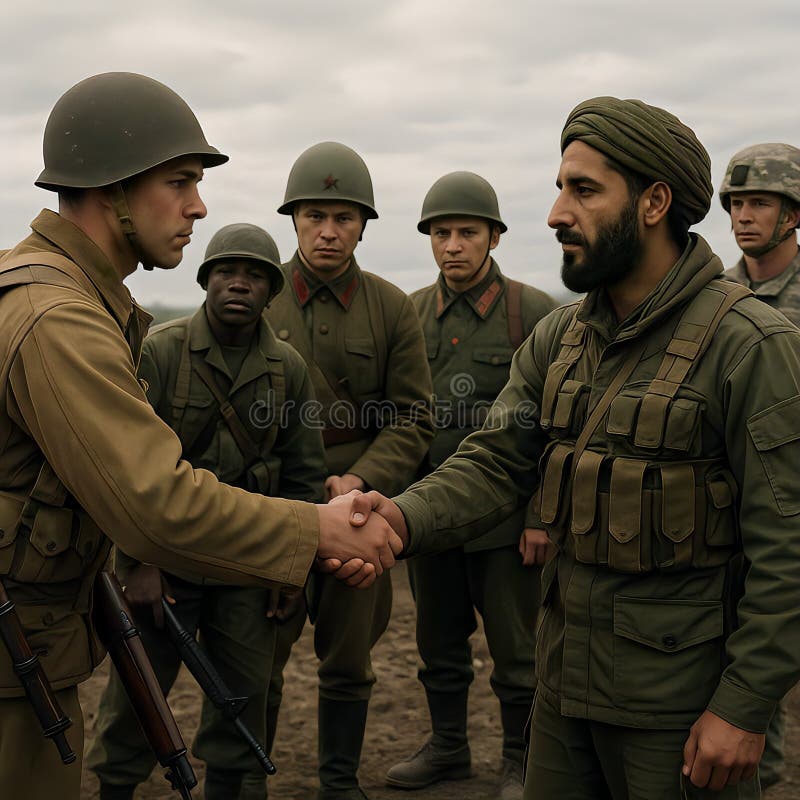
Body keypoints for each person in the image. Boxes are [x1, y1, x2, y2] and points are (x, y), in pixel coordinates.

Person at [338, 97, 800, 799]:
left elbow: (787, 547)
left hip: (678, 710)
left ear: (653, 202)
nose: (556, 213)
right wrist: (399, 518)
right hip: (561, 696)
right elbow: (494, 461)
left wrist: (743, 706)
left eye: (582, 190)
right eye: (560, 188)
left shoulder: (750, 346)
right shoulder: (562, 338)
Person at [0, 73, 400, 800]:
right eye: (180, 181)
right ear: (111, 188)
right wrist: (315, 533)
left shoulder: (66, 296)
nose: (198, 205)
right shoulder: (58, 316)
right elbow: (153, 499)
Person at [86, 222, 326, 799]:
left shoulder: (287, 368)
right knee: (136, 698)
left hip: (248, 561)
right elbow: (126, 466)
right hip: (162, 560)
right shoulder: (161, 352)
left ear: (272, 290)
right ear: (205, 281)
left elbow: (303, 474)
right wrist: (136, 562)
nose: (238, 284)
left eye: (253, 276)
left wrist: (290, 567)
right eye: (226, 272)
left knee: (242, 698)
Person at [262, 141, 434, 800]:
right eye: (314, 216)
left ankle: (340, 784)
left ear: (363, 224)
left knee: (350, 662)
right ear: (294, 220)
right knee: (260, 658)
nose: (328, 231)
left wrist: (359, 479)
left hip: (360, 507)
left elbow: (415, 414)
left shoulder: (392, 308)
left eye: (343, 217)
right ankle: (249, 779)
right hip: (276, 504)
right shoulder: (261, 298)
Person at [384, 171, 555, 799]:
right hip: (431, 516)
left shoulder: (534, 312)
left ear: (494, 238)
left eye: (467, 232)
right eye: (441, 233)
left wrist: (540, 513)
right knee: (439, 642)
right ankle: (449, 749)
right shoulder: (407, 316)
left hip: (507, 520)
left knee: (516, 653)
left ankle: (520, 759)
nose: (453, 245)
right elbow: (396, 412)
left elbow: (557, 426)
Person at [718, 143, 800, 791]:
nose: (746, 216)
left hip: (791, 507)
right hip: (730, 503)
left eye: (761, 203)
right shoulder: (715, 294)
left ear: (793, 212)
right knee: (738, 654)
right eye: (737, 203)